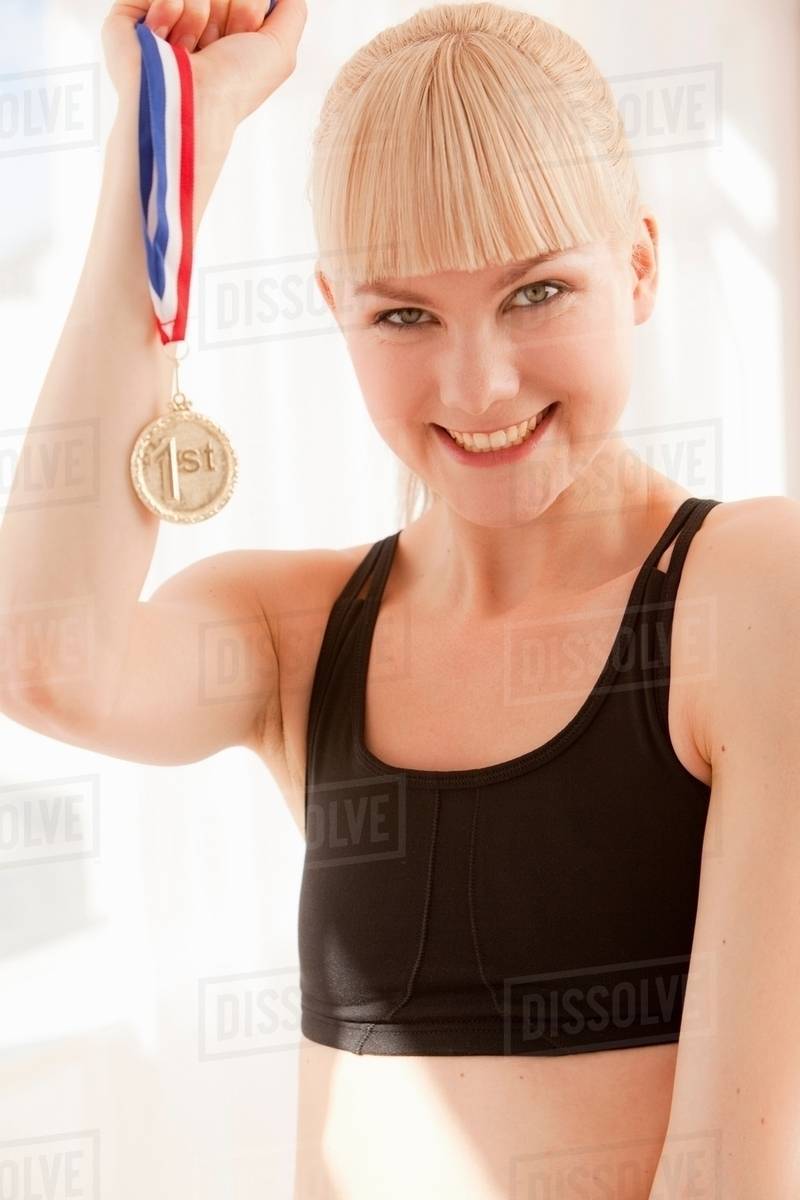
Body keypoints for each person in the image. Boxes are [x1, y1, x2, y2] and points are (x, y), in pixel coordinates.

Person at [1, 3, 798, 1198]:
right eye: (404, 314)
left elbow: (736, 1174)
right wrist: (171, 142)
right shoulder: (304, 635)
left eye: (535, 293)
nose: (477, 384)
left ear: (636, 265)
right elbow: (48, 662)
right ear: (337, 312)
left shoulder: (746, 591)